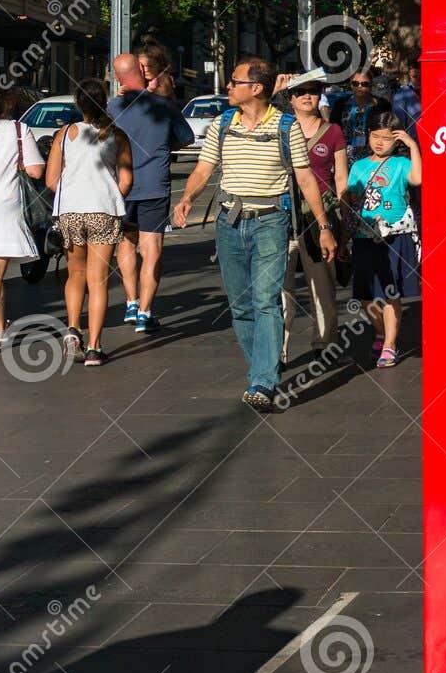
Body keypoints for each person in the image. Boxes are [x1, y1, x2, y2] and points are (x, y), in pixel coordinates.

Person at [172, 58, 337, 410]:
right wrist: (187, 197)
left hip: (270, 221)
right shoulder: (221, 124)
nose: (228, 87)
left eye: (234, 81)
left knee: (266, 301)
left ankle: (263, 381)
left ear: (256, 88)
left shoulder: (285, 126)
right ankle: (263, 365)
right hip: (229, 221)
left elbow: (305, 178)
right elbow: (204, 167)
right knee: (241, 305)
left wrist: (323, 226)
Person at [45, 79, 133, 365]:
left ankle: (72, 331)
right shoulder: (117, 135)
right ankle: (94, 348)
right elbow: (127, 179)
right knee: (98, 281)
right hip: (103, 212)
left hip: (71, 211)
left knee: (76, 275)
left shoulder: (64, 134)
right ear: (104, 102)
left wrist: (73, 191)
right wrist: (109, 196)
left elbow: (51, 180)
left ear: (78, 104)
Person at [108, 53, 193, 333]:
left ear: (118, 77)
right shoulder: (163, 107)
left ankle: (131, 302)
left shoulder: (111, 107)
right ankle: (145, 312)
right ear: (141, 72)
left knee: (126, 244)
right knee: (152, 250)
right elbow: (187, 137)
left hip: (120, 186)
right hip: (154, 185)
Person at [276, 77, 347, 362]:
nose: (308, 96)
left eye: (314, 92)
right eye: (300, 92)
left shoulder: (332, 132)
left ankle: (325, 343)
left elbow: (340, 177)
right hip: (281, 215)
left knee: (322, 284)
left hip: (319, 218)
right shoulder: (280, 128)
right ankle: (277, 350)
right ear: (289, 98)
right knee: (279, 290)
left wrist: (343, 221)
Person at [345, 110, 421, 368]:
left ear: (396, 140)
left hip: (394, 235)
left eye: (387, 138)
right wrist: (343, 234)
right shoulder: (358, 166)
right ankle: (380, 331)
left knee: (391, 293)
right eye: (375, 136)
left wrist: (412, 146)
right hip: (364, 235)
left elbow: (419, 179)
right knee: (365, 295)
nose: (379, 142)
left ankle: (389, 344)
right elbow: (350, 200)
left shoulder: (401, 164)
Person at [0, 85, 46, 353]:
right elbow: (36, 172)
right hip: (4, 210)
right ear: (6, 104)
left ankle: (1, 331)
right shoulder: (18, 131)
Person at [341, 69, 378, 166]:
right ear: (350, 85)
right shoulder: (340, 104)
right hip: (345, 157)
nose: (359, 87)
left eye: (364, 84)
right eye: (355, 83)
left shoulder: (380, 105)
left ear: (370, 86)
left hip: (372, 157)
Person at [391, 62, 422, 139]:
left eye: (421, 76)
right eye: (415, 77)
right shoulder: (401, 94)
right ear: (409, 74)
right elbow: (398, 123)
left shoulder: (432, 90)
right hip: (412, 141)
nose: (418, 80)